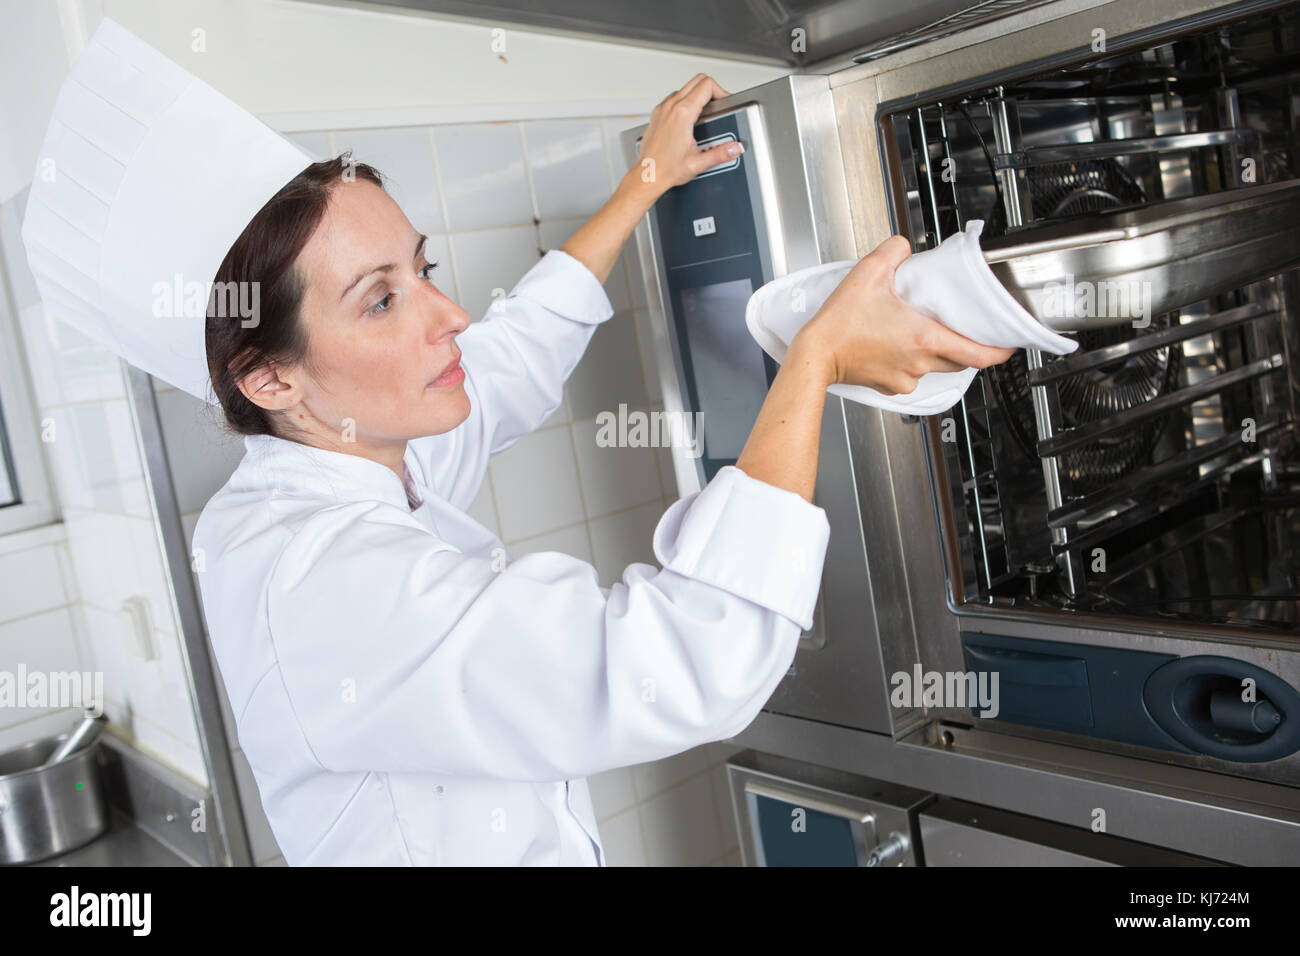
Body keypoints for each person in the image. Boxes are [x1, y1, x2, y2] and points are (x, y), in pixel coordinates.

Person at [21, 18, 1012, 866]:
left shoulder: (339, 455)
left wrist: (646, 182)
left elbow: (506, 358)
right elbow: (680, 660)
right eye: (380, 299)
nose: (447, 313)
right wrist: (815, 357)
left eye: (423, 268)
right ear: (269, 376)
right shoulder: (322, 580)